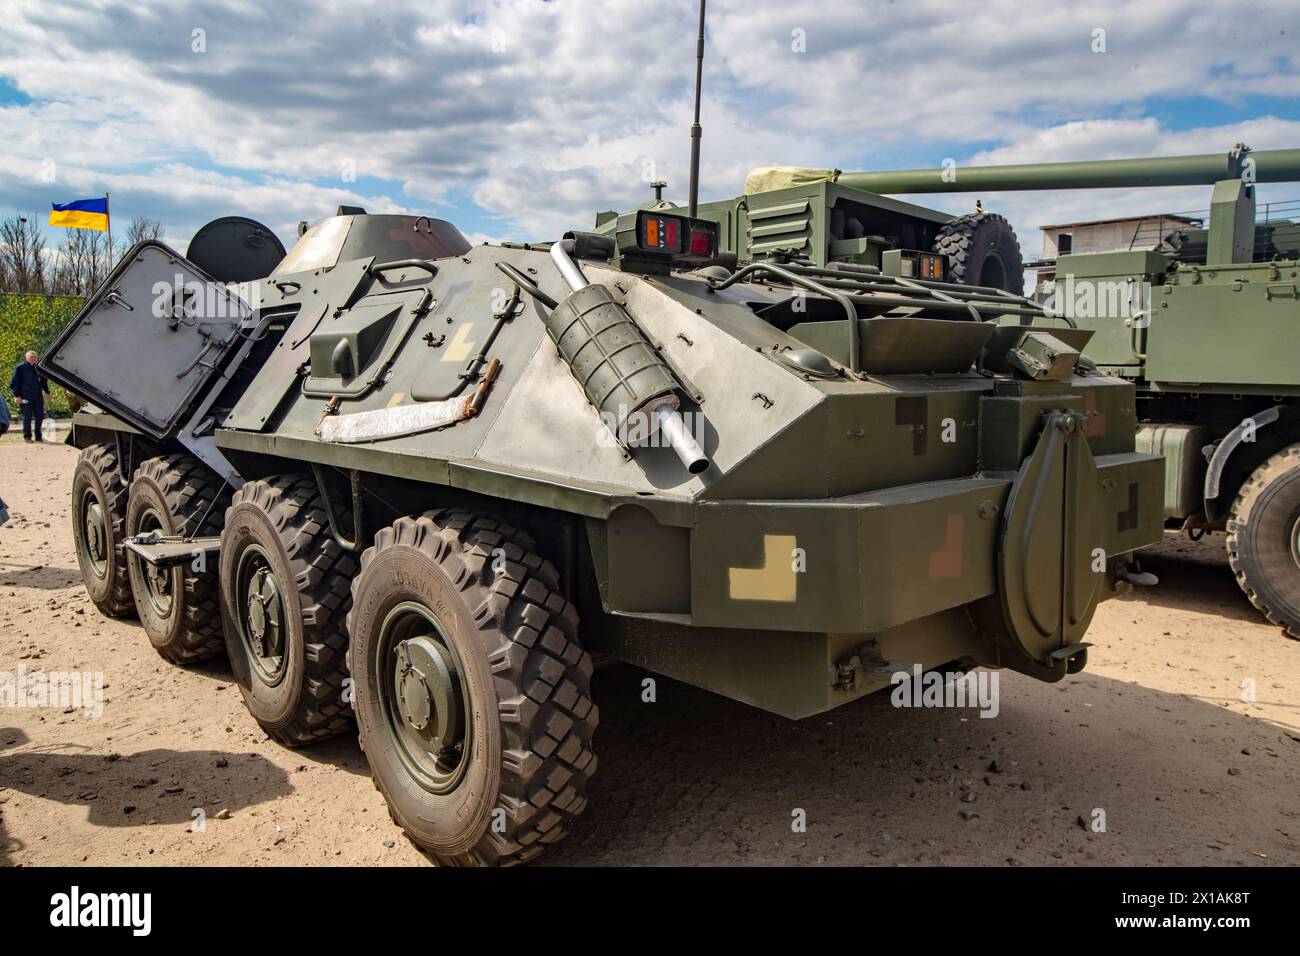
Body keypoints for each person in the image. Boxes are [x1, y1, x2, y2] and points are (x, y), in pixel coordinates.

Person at [9, 350, 50, 443]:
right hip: (25, 396)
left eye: (35, 357)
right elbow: (14, 383)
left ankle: (38, 436)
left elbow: (44, 381)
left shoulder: (39, 368)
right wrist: (17, 396)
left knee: (40, 416)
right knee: (27, 417)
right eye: (31, 357)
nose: (33, 358)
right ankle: (27, 437)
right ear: (26, 357)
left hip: (37, 396)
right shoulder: (20, 368)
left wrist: (47, 392)